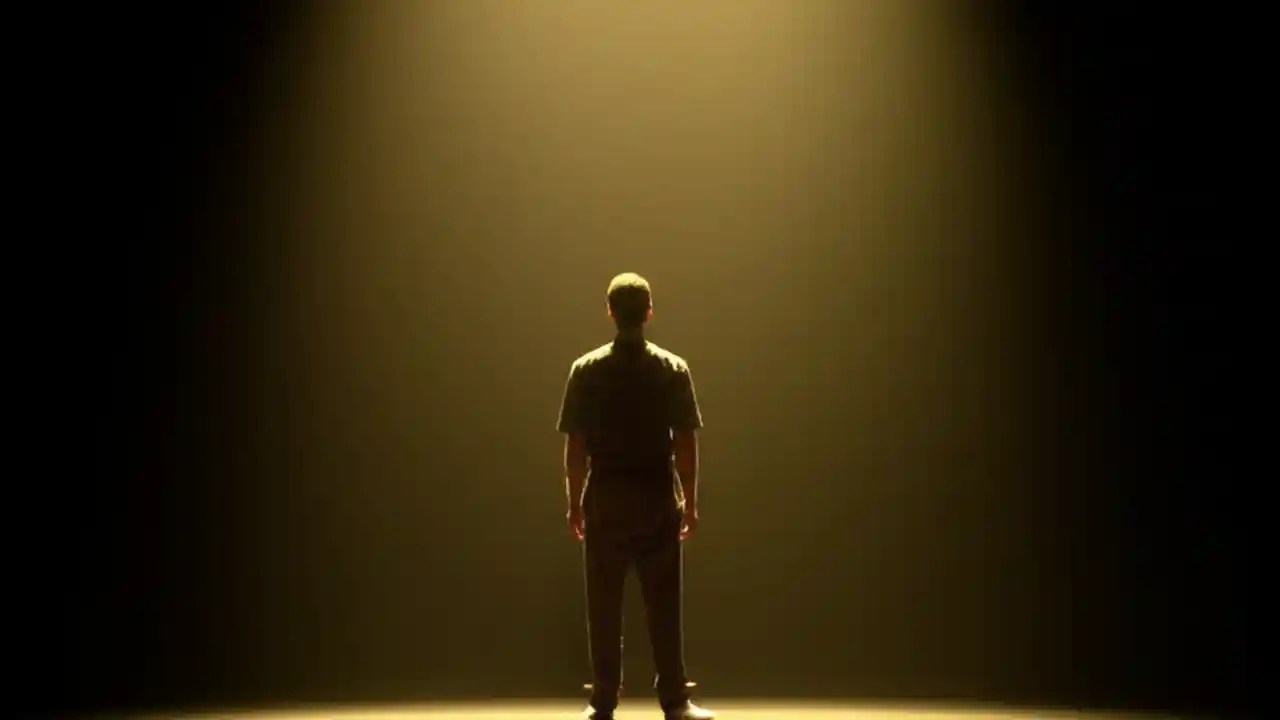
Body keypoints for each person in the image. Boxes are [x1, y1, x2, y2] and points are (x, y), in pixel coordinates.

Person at [557, 273, 716, 720]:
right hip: (655, 494)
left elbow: (575, 445)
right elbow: (685, 440)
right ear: (649, 311)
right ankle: (674, 701)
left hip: (606, 494)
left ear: (609, 311)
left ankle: (603, 701)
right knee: (664, 602)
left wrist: (573, 503)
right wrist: (691, 501)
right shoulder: (671, 368)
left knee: (603, 603)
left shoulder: (586, 370)